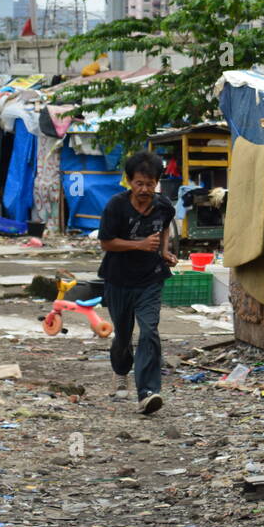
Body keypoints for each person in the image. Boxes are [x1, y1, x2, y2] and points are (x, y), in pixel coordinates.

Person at [98, 151, 178, 414]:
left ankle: (148, 392)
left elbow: (165, 227)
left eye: (150, 183)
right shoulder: (116, 206)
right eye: (139, 183)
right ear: (129, 181)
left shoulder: (164, 206)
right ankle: (121, 371)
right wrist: (140, 244)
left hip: (150, 278)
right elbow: (106, 242)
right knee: (122, 336)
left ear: (157, 182)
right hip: (118, 279)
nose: (144, 189)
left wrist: (164, 251)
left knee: (149, 331)